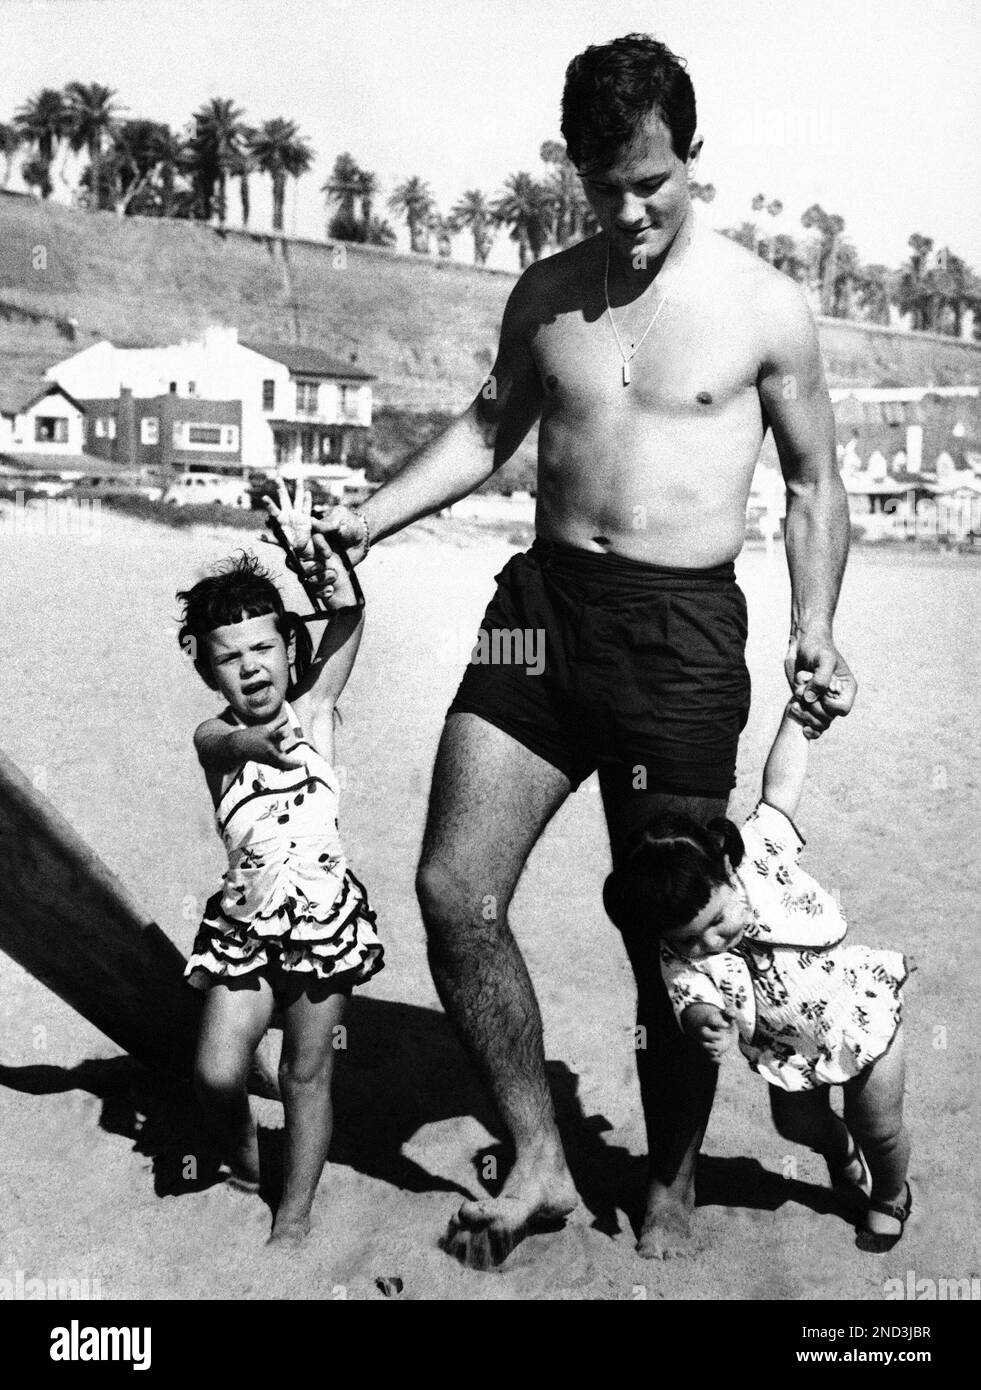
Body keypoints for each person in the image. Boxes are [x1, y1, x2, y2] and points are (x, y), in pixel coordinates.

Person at [308, 33, 857, 1264]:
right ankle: (542, 1156)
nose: (630, 208)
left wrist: (814, 625)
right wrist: (365, 521)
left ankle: (668, 1176)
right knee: (457, 891)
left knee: (672, 937)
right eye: (604, 183)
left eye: (653, 182)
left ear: (692, 160)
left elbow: (819, 486)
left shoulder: (765, 305)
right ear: (574, 168)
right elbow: (489, 427)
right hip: (541, 608)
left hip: (683, 635)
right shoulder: (546, 290)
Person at [603, 689, 912, 1253]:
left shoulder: (759, 855)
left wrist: (796, 723)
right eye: (690, 939)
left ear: (725, 867)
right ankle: (837, 1149)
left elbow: (780, 791)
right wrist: (702, 1021)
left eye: (716, 920)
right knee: (796, 1127)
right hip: (785, 1048)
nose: (710, 941)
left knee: (880, 1127)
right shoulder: (681, 955)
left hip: (857, 1012)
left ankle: (890, 1193)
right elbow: (687, 996)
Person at [176, 481, 383, 1244]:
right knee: (216, 1072)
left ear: (290, 649)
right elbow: (223, 745)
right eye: (230, 658)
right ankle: (241, 1158)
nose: (251, 668)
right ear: (207, 671)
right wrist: (252, 744)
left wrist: (314, 562)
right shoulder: (213, 737)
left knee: (306, 1073)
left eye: (264, 646)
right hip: (245, 932)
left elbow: (351, 615)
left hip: (324, 929)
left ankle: (292, 1215)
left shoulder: (315, 714)